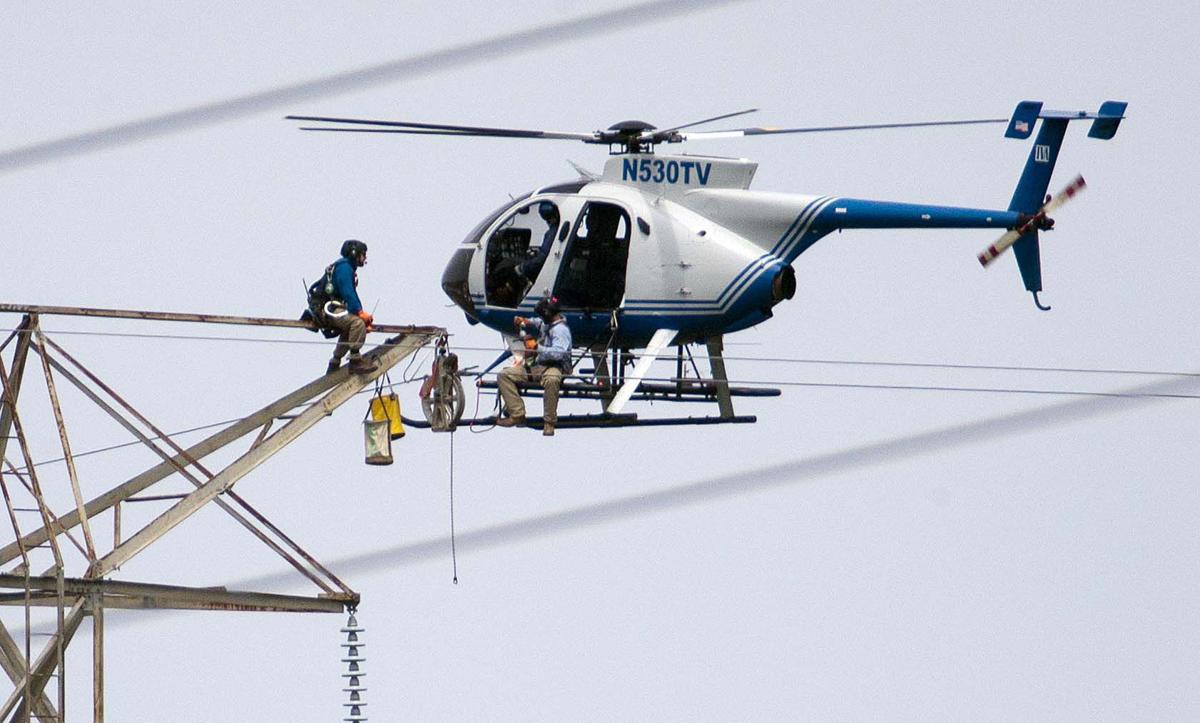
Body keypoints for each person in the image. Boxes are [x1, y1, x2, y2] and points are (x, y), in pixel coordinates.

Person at [497, 297, 572, 436]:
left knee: (552, 380)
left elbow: (559, 354)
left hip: (555, 367)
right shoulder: (547, 323)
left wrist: (537, 347)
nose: (541, 318)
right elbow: (538, 323)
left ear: (549, 313)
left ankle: (549, 422)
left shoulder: (561, 331)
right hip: (538, 366)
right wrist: (525, 321)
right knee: (504, 375)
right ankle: (517, 414)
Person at [304, 239, 378, 375]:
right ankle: (355, 361)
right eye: (363, 254)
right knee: (357, 323)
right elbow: (348, 293)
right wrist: (360, 314)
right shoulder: (345, 268)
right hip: (328, 310)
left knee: (351, 326)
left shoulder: (343, 267)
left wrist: (359, 315)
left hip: (330, 309)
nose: (365, 257)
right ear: (355, 253)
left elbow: (349, 296)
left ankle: (334, 362)